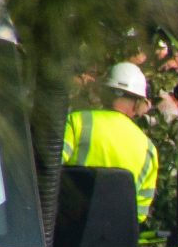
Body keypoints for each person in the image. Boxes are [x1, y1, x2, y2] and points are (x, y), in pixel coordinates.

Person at [63, 62, 159, 226]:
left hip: (66, 230)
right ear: (137, 103)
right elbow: (139, 214)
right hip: (111, 243)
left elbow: (48, 171)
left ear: (104, 94)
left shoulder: (77, 121)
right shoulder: (148, 149)